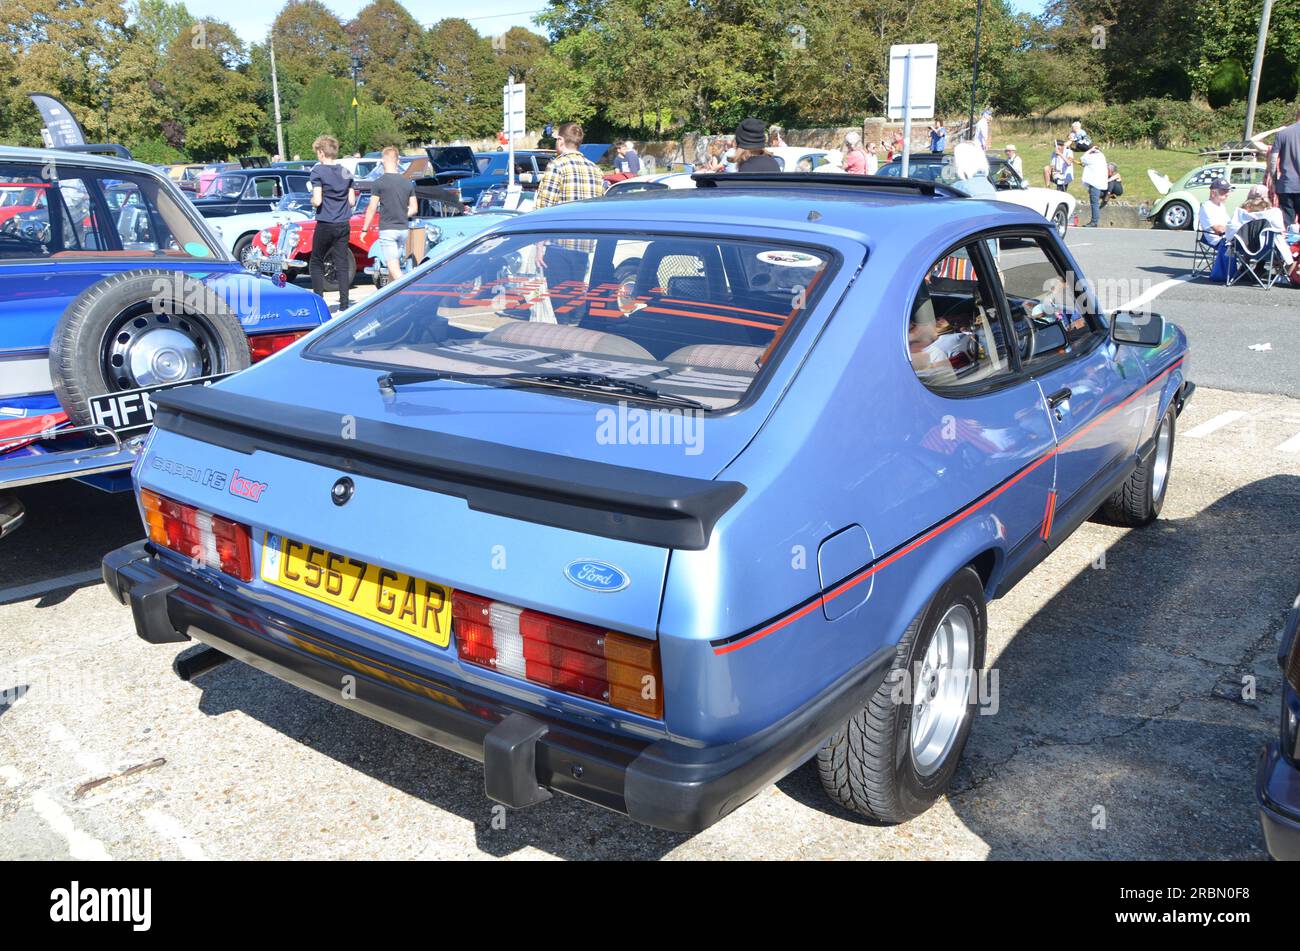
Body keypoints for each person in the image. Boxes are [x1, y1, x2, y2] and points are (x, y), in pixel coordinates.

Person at [533, 122, 607, 294]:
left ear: (560, 140)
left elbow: (545, 207)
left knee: (559, 299)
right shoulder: (595, 169)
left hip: (559, 244)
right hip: (585, 245)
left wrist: (539, 245)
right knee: (575, 298)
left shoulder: (557, 165)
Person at [308, 134, 356, 311]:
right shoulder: (346, 172)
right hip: (343, 223)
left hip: (326, 222)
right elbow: (351, 201)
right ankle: (344, 304)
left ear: (321, 152)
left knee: (316, 261)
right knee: (341, 263)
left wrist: (311, 200)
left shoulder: (317, 172)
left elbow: (318, 200)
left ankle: (319, 303)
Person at [360, 145, 417, 284]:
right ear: (398, 161)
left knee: (393, 268)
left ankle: (409, 289)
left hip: (388, 228)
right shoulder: (407, 183)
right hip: (403, 229)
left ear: (382, 161)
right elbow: (414, 208)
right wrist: (403, 214)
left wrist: (364, 229)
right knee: (396, 265)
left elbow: (372, 208)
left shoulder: (378, 183)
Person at [1272, 106, 1300, 228]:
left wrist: (1274, 180)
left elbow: (1273, 159)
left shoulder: (1282, 133)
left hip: (1286, 185)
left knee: (1287, 223)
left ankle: (1289, 246)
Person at [1079, 145, 1108, 227]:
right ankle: (1094, 221)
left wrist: (1089, 151)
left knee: (1094, 203)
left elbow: (1082, 158)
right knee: (1095, 202)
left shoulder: (1094, 157)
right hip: (1101, 184)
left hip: (1095, 184)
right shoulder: (1102, 156)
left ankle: (1094, 222)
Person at [1197, 178, 1231, 246]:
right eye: (1223, 192)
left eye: (1227, 191)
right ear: (1213, 193)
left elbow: (1229, 224)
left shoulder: (1221, 206)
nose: (1227, 194)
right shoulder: (1206, 207)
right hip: (1218, 240)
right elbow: (1219, 230)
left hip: (1227, 237)